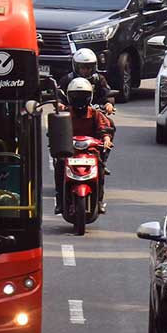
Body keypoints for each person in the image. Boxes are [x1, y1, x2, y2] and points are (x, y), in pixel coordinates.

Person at [53, 78, 113, 215]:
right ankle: (60, 202)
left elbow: (105, 128)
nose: (80, 99)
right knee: (60, 165)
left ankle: (98, 201)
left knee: (100, 167)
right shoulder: (64, 114)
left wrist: (106, 138)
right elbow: (56, 131)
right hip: (70, 152)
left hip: (91, 152)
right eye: (76, 96)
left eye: (83, 96)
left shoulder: (95, 113)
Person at [58, 48, 114, 114]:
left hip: (95, 113)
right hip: (71, 114)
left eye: (89, 67)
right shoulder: (67, 79)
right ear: (76, 66)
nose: (86, 70)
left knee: (109, 123)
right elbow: (59, 95)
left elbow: (106, 95)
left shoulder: (99, 79)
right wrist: (59, 103)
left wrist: (108, 104)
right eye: (82, 67)